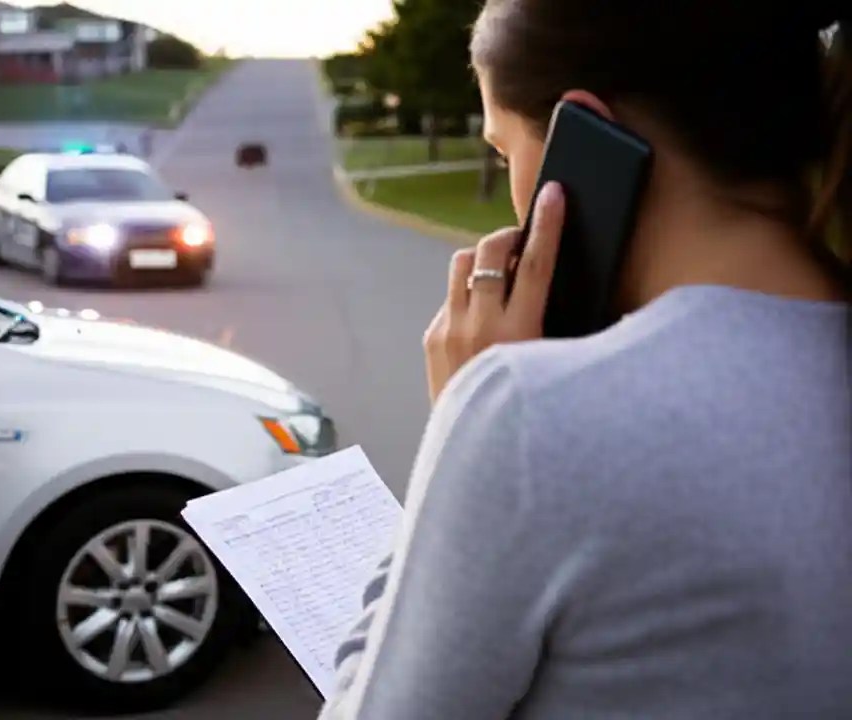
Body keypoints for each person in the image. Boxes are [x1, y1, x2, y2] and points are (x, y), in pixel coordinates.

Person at [319, 2, 850, 718]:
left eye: (505, 152)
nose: (511, 193)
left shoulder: (531, 415)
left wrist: (460, 419)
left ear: (587, 133)